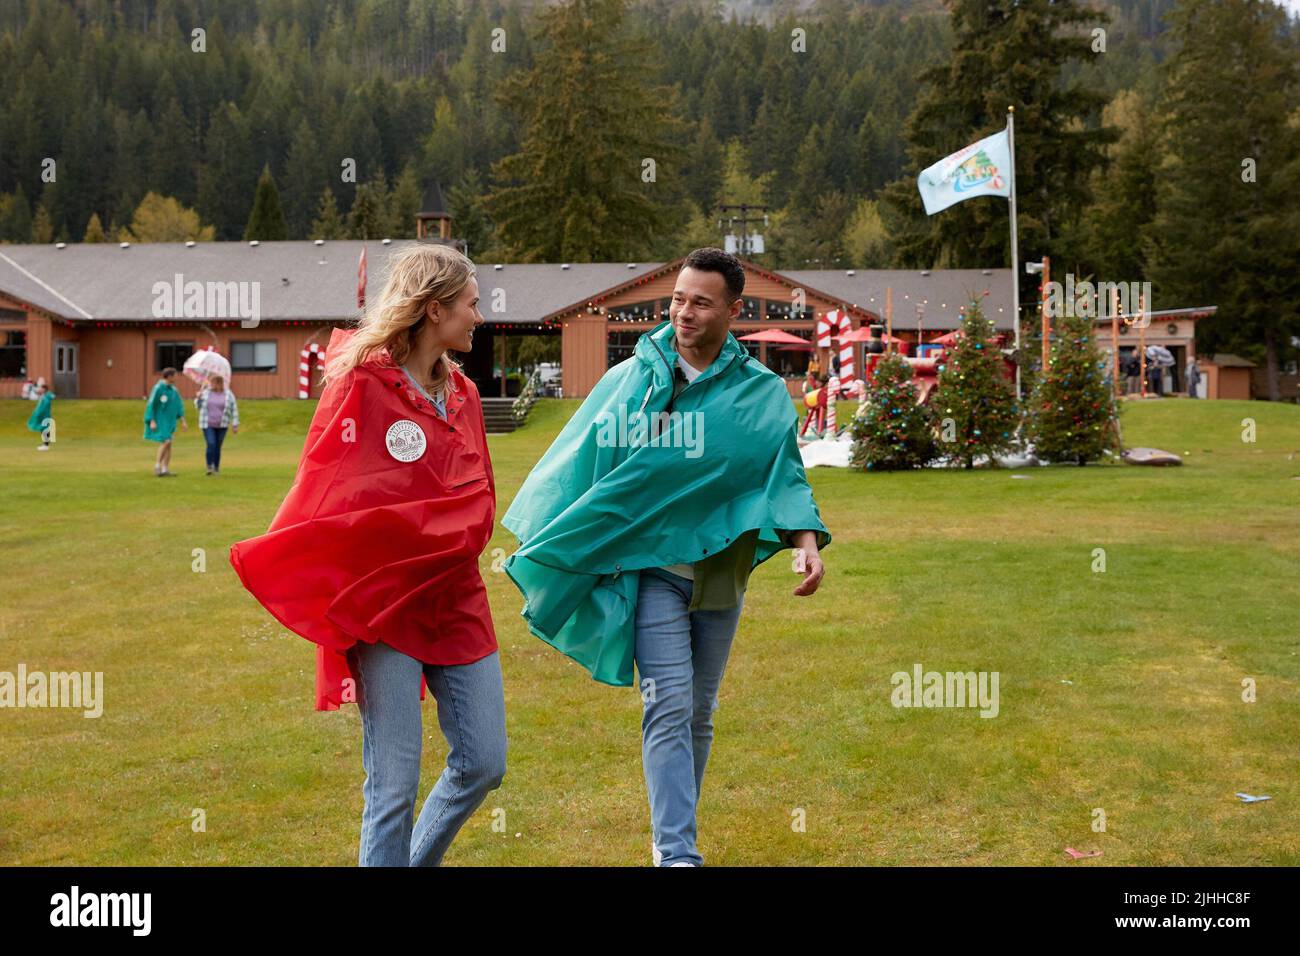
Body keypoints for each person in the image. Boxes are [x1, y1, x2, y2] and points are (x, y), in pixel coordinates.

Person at [503, 247, 830, 867]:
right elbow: (589, 465)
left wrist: (805, 546)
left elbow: (782, 474)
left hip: (718, 578)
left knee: (698, 713)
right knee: (669, 704)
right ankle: (676, 854)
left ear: (733, 310)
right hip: (652, 571)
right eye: (678, 298)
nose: (683, 312)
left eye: (701, 302)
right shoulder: (634, 377)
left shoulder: (759, 394)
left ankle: (674, 834)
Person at [229, 243, 504, 867]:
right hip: (385, 609)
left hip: (458, 599)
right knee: (393, 784)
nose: (478, 317)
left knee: (485, 760)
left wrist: (445, 532)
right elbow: (327, 490)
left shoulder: (462, 393)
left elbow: (482, 492)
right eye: (470, 305)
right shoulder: (360, 384)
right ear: (434, 310)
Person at [144, 367, 187, 475]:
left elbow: (179, 406)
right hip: (159, 420)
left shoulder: (173, 390)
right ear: (169, 376)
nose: (177, 377)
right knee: (166, 441)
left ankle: (165, 469)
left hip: (169, 421)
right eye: (175, 375)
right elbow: (151, 404)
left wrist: (182, 420)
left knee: (169, 444)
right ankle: (157, 466)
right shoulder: (158, 388)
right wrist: (151, 420)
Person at [194, 374, 240, 474]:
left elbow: (234, 408)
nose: (214, 384)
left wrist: (235, 424)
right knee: (211, 443)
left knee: (217, 446)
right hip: (207, 423)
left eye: (217, 382)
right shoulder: (205, 393)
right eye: (213, 382)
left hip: (222, 424)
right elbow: (198, 407)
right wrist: (198, 398)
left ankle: (216, 467)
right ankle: (209, 466)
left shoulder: (228, 394)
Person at [27, 382, 54, 450]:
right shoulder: (44, 396)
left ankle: (46, 445)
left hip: (45, 416)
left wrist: (38, 413)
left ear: (44, 389)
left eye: (41, 388)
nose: (40, 390)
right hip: (43, 416)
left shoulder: (46, 397)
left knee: (45, 430)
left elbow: (44, 406)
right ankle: (45, 444)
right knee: (43, 429)